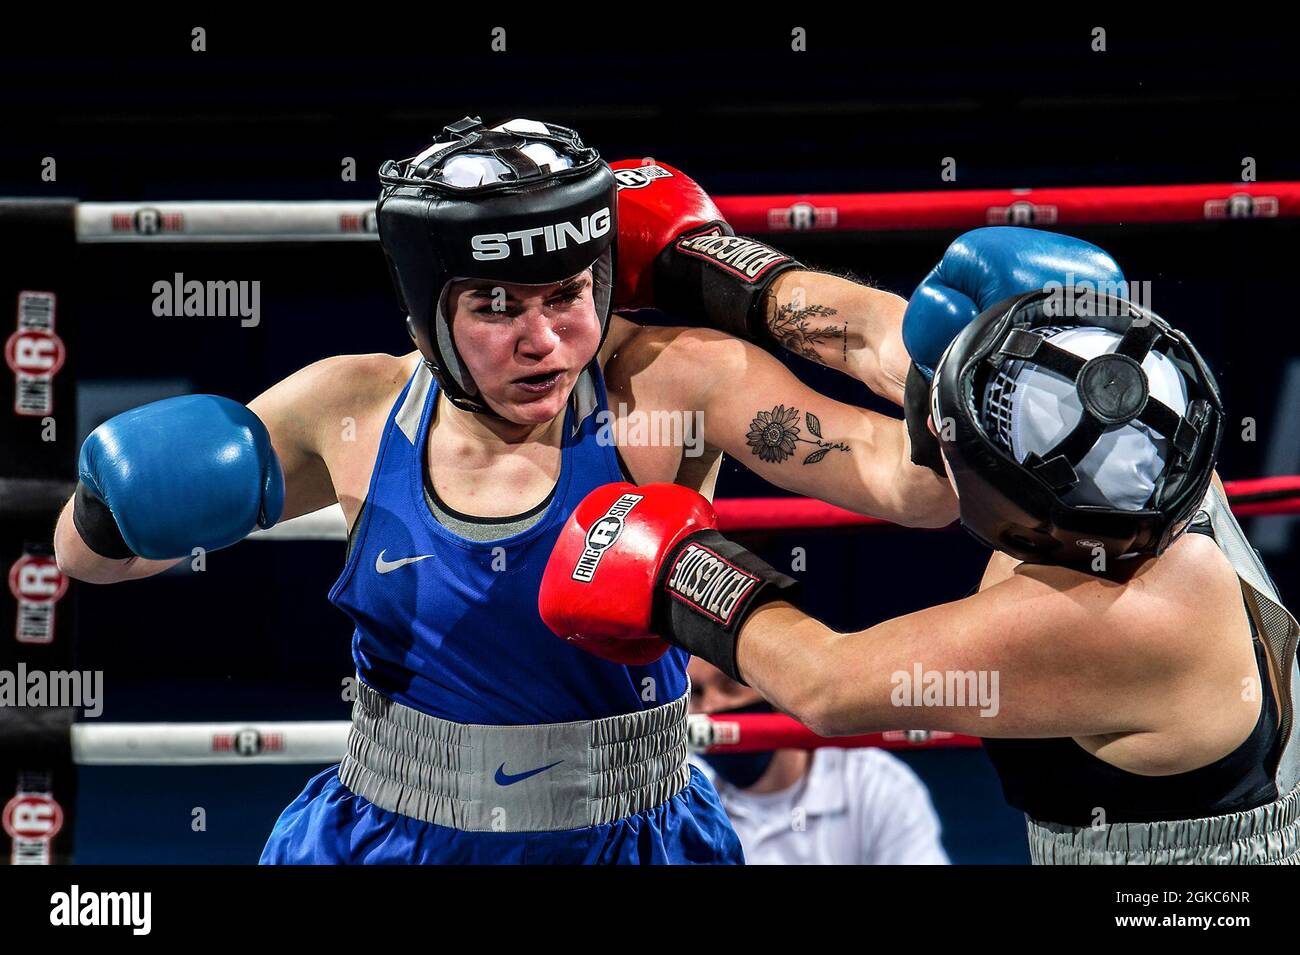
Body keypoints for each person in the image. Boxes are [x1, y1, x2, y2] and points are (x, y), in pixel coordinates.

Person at [54, 117, 954, 864]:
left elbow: (918, 487)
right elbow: (93, 559)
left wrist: (745, 282)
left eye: (567, 292)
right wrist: (110, 501)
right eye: (495, 305)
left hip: (634, 835)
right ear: (424, 313)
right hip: (390, 835)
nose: (545, 341)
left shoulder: (671, 385)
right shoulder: (351, 408)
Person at [540, 227, 1300, 865]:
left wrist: (674, 566)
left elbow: (826, 685)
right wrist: (709, 262)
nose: (932, 441)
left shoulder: (1125, 614)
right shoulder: (1136, 438)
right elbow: (891, 345)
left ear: (1022, 508)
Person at [688, 657, 948, 864]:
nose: (711, 707)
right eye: (697, 694)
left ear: (778, 694)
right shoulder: (679, 793)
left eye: (730, 686)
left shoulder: (875, 784)